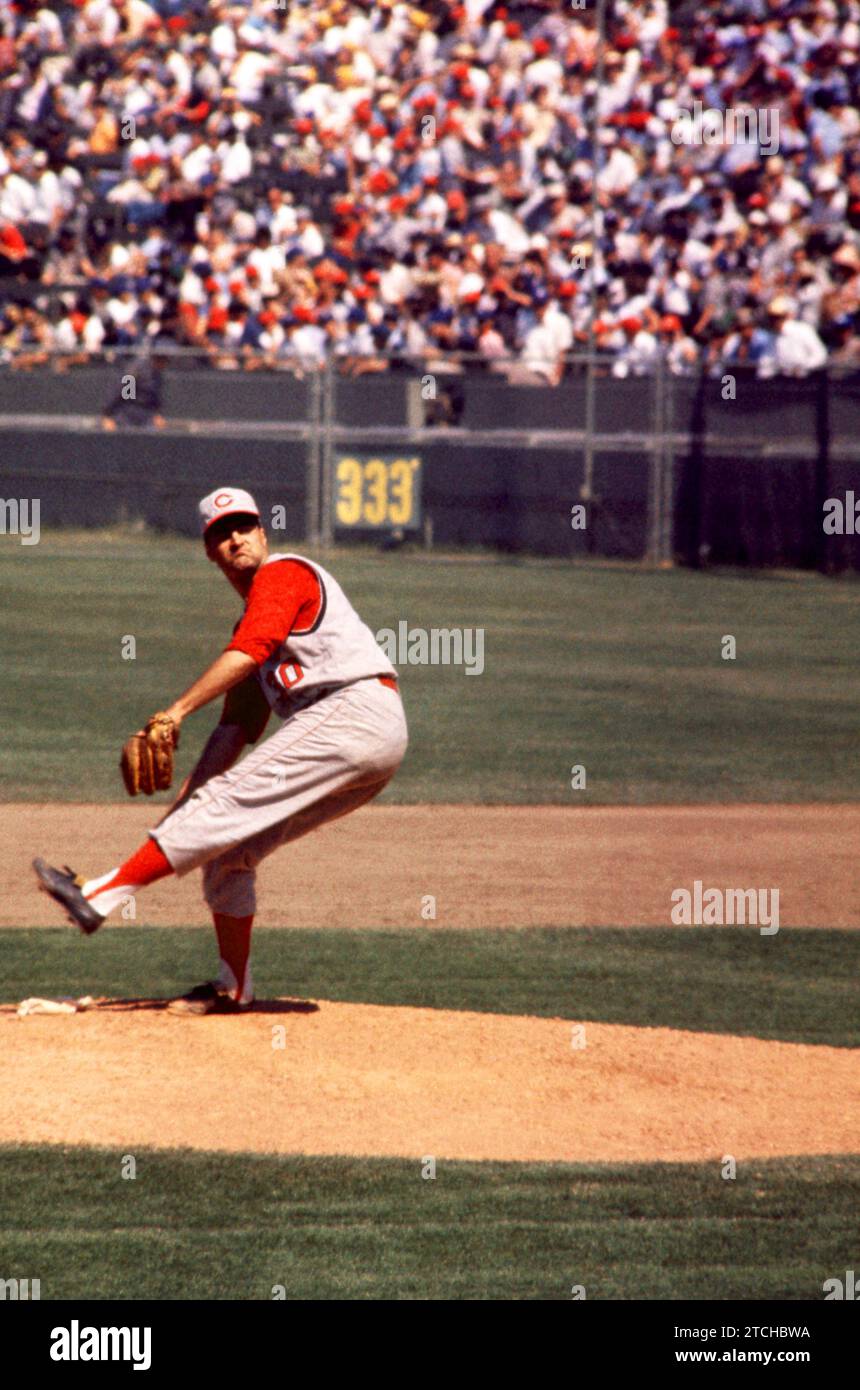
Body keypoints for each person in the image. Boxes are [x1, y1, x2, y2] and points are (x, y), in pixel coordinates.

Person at [34, 488, 408, 1015]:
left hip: (354, 711)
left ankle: (98, 896)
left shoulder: (284, 574)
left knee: (225, 810)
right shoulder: (253, 620)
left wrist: (175, 711)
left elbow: (250, 651)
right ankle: (233, 987)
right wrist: (184, 809)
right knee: (230, 851)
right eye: (220, 532)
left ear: (263, 533)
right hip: (360, 740)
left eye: (244, 526)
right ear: (210, 551)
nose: (235, 538)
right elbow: (234, 729)